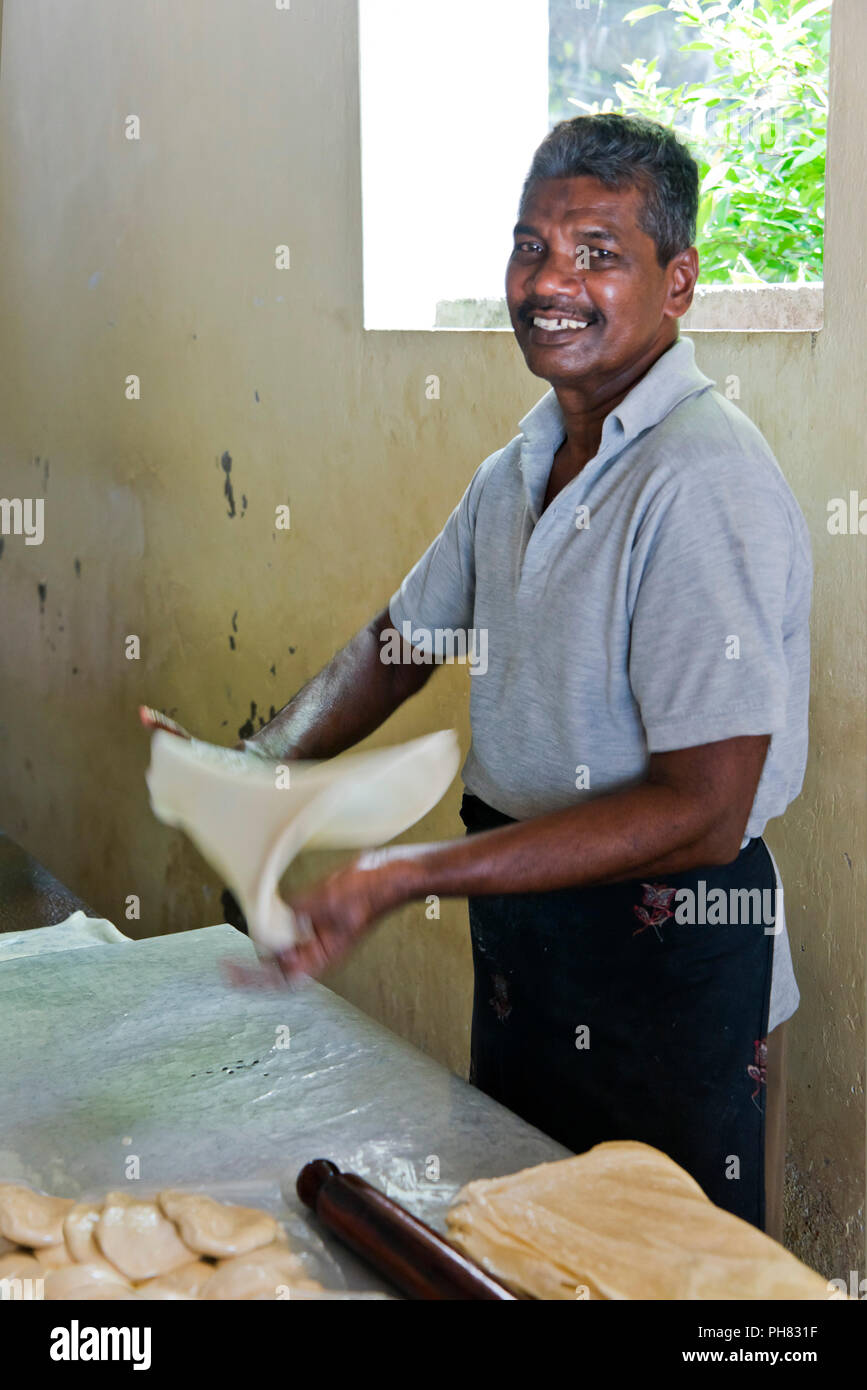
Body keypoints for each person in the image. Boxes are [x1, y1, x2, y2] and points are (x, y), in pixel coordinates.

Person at [158, 115, 812, 1236]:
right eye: (530, 247)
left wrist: (409, 869)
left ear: (681, 281)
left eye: (599, 252)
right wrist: (259, 761)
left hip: (665, 962)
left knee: (661, 1271)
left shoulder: (703, 482)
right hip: (531, 950)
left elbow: (704, 813)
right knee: (509, 1241)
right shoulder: (519, 465)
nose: (551, 281)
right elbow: (401, 642)